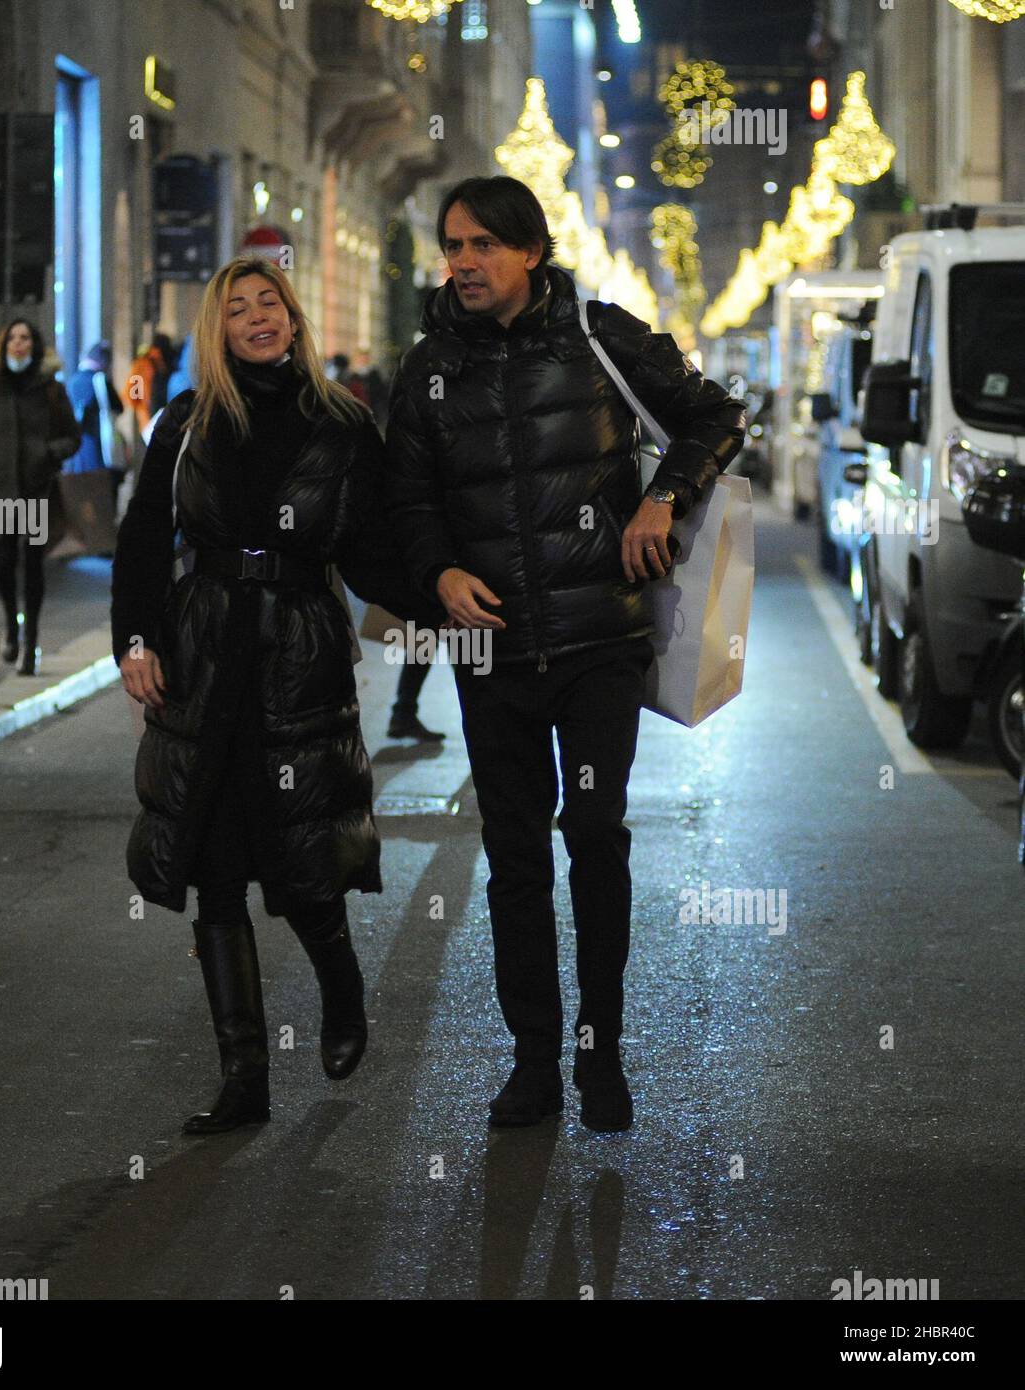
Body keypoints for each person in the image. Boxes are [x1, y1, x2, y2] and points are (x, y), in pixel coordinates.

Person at [385, 176, 746, 1132]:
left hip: (597, 643)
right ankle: (533, 1064)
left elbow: (716, 414)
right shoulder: (426, 370)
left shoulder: (596, 333)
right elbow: (409, 504)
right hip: (493, 649)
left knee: (594, 838)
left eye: (482, 247)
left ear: (530, 252)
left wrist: (663, 496)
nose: (462, 263)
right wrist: (439, 578)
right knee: (513, 858)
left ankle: (603, 1053)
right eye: (452, 246)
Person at [111, 255, 440, 1137]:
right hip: (204, 653)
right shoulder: (187, 421)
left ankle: (341, 991)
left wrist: (438, 593)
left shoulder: (341, 424)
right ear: (218, 330)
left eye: (271, 304)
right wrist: (136, 640)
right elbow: (145, 537)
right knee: (214, 867)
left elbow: (369, 552)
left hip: (298, 649)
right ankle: (243, 1075)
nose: (257, 318)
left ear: (294, 319)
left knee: (301, 858)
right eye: (237, 309)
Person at [0, 320, 80, 675]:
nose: (18, 343)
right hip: (0, 489)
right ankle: (12, 625)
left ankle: (32, 643)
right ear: (3, 343)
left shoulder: (51, 389)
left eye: (25, 337)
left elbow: (72, 437)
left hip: (36, 489)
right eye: (12, 337)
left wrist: (49, 451)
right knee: (3, 564)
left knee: (33, 568)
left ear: (35, 344)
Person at [64, 340, 126, 511]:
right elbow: (119, 407)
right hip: (100, 449)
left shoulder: (73, 381)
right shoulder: (100, 381)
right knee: (103, 496)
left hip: (79, 450)